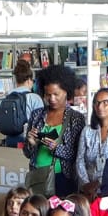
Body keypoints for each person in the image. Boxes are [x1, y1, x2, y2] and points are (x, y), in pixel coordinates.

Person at [22, 64, 86, 197]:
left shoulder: (76, 118)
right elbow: (27, 153)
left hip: (63, 178)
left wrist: (56, 148)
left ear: (66, 92)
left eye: (56, 94)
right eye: (47, 94)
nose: (52, 99)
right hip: (38, 176)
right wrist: (31, 143)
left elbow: (78, 154)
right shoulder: (36, 115)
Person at [76, 87, 108, 198]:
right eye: (96, 103)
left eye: (105, 103)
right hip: (87, 192)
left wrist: (98, 184)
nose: (100, 107)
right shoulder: (88, 131)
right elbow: (80, 160)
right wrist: (87, 185)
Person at [0, 59, 44, 148]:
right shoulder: (34, 98)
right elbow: (41, 123)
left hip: (9, 140)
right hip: (27, 141)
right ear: (29, 80)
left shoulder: (6, 97)